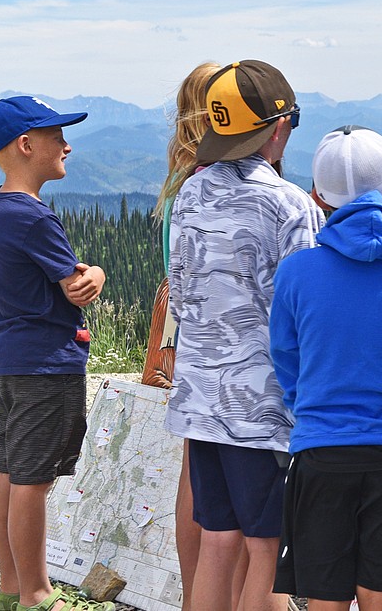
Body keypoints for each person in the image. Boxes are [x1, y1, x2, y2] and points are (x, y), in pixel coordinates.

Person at [165, 60, 323, 611]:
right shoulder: (290, 205)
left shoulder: (191, 192)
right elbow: (300, 311)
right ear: (278, 129)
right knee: (266, 547)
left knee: (217, 541)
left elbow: (179, 294)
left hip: (199, 398)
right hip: (262, 406)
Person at [269, 126, 382, 610]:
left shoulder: (295, 272)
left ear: (317, 197)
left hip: (319, 448)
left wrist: (305, 404)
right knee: (380, 586)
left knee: (325, 591)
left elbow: (285, 357)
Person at [0, 96, 111, 611]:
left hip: (7, 361)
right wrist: (97, 272)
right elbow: (77, 286)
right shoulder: (33, 217)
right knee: (35, 480)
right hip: (45, 365)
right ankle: (37, 595)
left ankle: (12, 587)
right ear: (26, 145)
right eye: (57, 136)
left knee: (11, 471)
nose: (67, 145)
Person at [148, 60, 225, 611]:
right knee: (231, 488)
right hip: (233, 348)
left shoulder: (185, 185)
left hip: (194, 344)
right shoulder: (219, 184)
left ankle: (195, 595)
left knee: (195, 475)